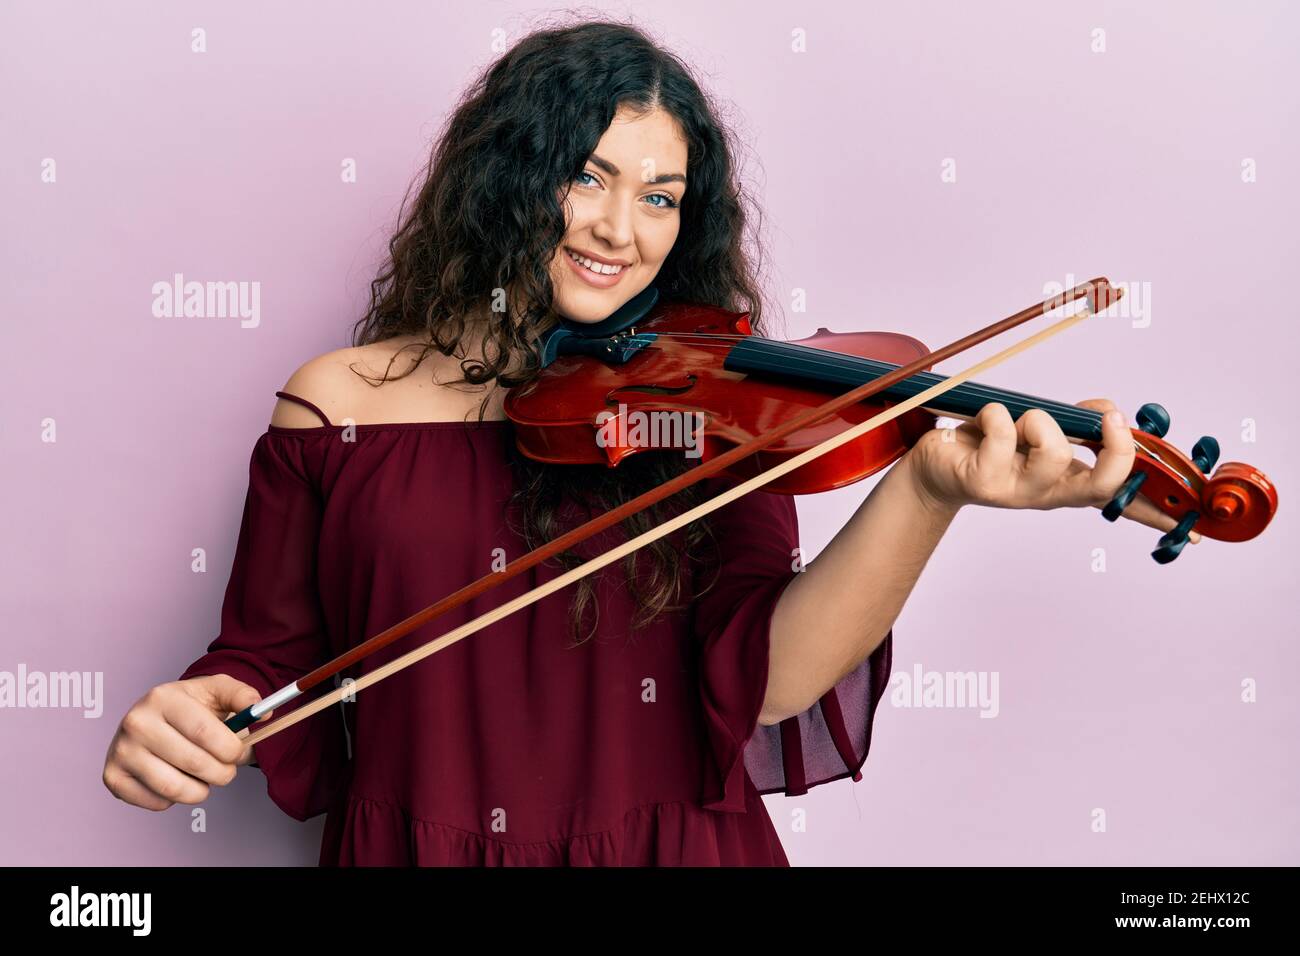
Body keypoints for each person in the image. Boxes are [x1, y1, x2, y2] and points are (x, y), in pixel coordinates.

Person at [101, 20, 1189, 866]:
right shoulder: (335, 407)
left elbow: (765, 681)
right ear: (503, 178)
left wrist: (928, 486)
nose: (620, 230)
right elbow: (264, 658)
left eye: (660, 196)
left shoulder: (710, 409)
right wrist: (190, 715)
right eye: (586, 176)